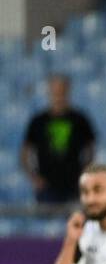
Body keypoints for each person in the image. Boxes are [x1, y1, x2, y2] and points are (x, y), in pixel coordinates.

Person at [22, 75, 97, 205]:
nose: (58, 95)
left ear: (68, 91)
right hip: (46, 187)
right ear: (49, 92)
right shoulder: (38, 121)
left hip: (74, 184)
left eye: (61, 91)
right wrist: (35, 179)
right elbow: (25, 153)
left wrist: (84, 173)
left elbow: (91, 149)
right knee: (47, 223)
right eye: (55, 91)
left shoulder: (80, 119)